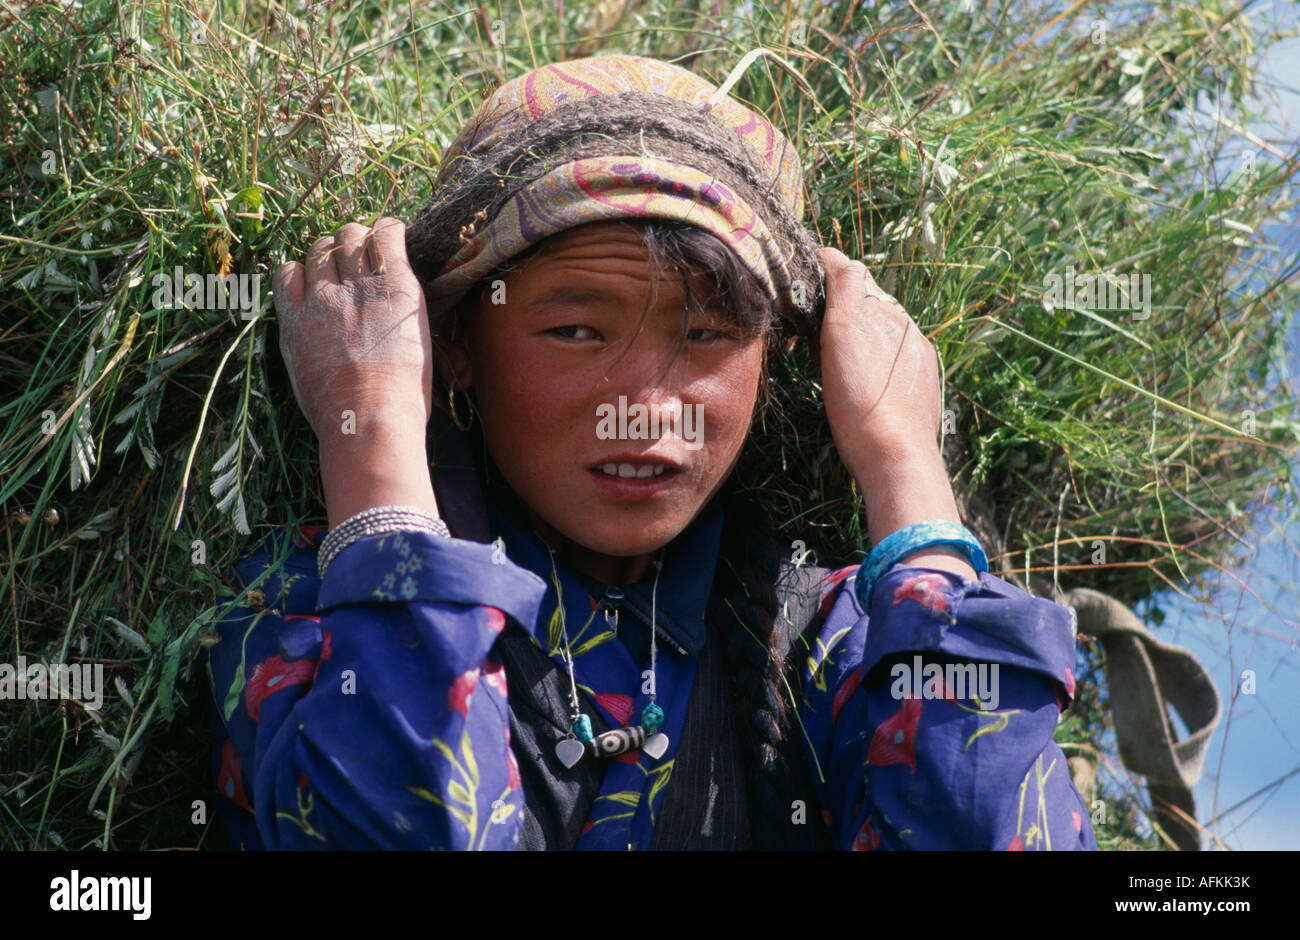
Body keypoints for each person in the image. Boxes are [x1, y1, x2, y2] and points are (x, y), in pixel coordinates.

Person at [204, 53, 1095, 850]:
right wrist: (374, 430)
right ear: (460, 348)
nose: (645, 408)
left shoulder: (835, 648)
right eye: (576, 329)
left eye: (708, 334)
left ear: (774, 364)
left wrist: (904, 465)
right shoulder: (312, 608)